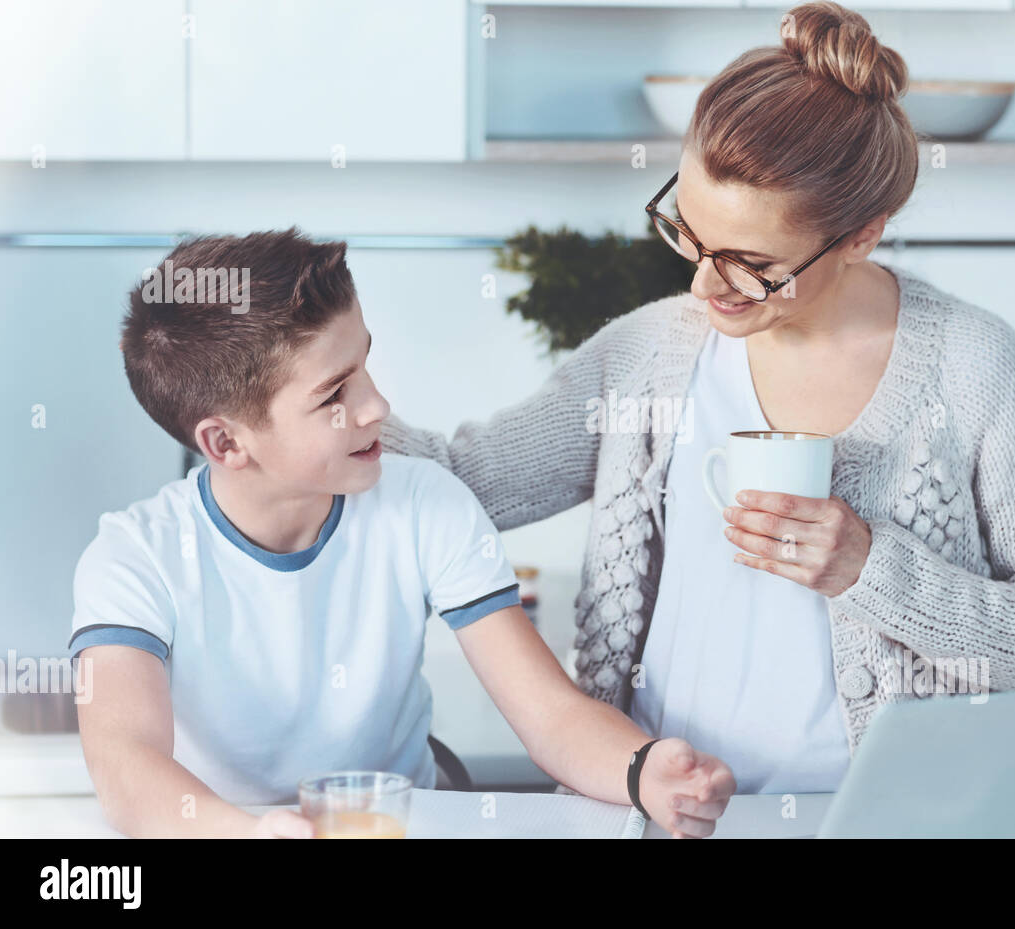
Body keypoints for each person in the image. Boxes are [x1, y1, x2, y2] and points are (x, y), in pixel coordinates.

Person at [380, 1, 1015, 794]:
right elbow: (458, 480)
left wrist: (871, 568)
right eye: (690, 236)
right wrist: (290, 394)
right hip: (661, 817)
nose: (704, 284)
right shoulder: (646, 356)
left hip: (886, 819)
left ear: (863, 234)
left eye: (751, 262)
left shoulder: (972, 365)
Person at [69, 228, 735, 838]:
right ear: (224, 442)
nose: (376, 405)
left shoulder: (424, 502)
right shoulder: (134, 557)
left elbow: (550, 715)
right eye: (334, 395)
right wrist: (250, 833)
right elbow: (126, 761)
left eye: (363, 365)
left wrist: (642, 769)